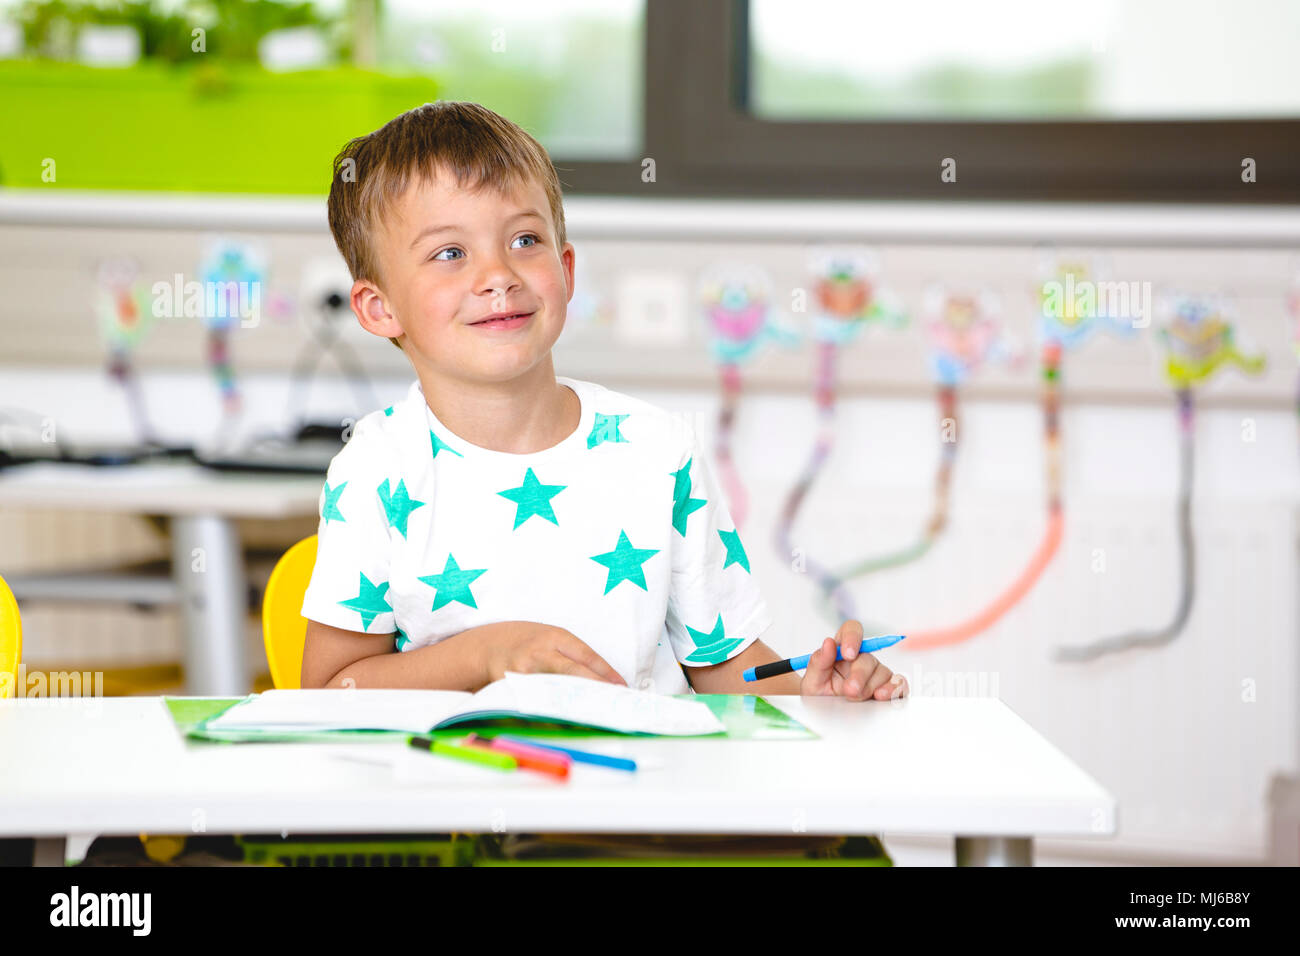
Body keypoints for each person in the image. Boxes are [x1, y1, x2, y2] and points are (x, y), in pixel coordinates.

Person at [300, 101, 908, 703]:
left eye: (525, 239)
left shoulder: (659, 451)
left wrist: (812, 696)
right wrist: (485, 654)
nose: (498, 274)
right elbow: (330, 689)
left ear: (565, 271)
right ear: (379, 309)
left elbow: (727, 671)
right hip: (452, 792)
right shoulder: (375, 468)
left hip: (641, 791)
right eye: (450, 253)